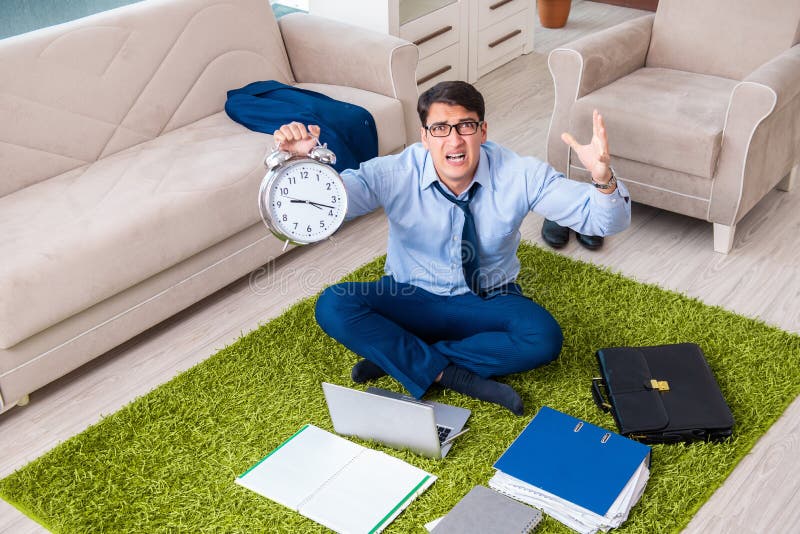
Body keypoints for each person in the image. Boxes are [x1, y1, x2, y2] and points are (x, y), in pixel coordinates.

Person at [273, 81, 630, 416]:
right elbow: (329, 209)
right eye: (440, 128)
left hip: (488, 298)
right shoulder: (394, 171)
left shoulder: (521, 174)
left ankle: (399, 357)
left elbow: (601, 222)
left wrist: (603, 179)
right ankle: (454, 375)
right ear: (425, 137)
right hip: (409, 296)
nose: (454, 140)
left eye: (466, 126)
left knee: (543, 339)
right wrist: (303, 164)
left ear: (483, 131)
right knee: (334, 304)